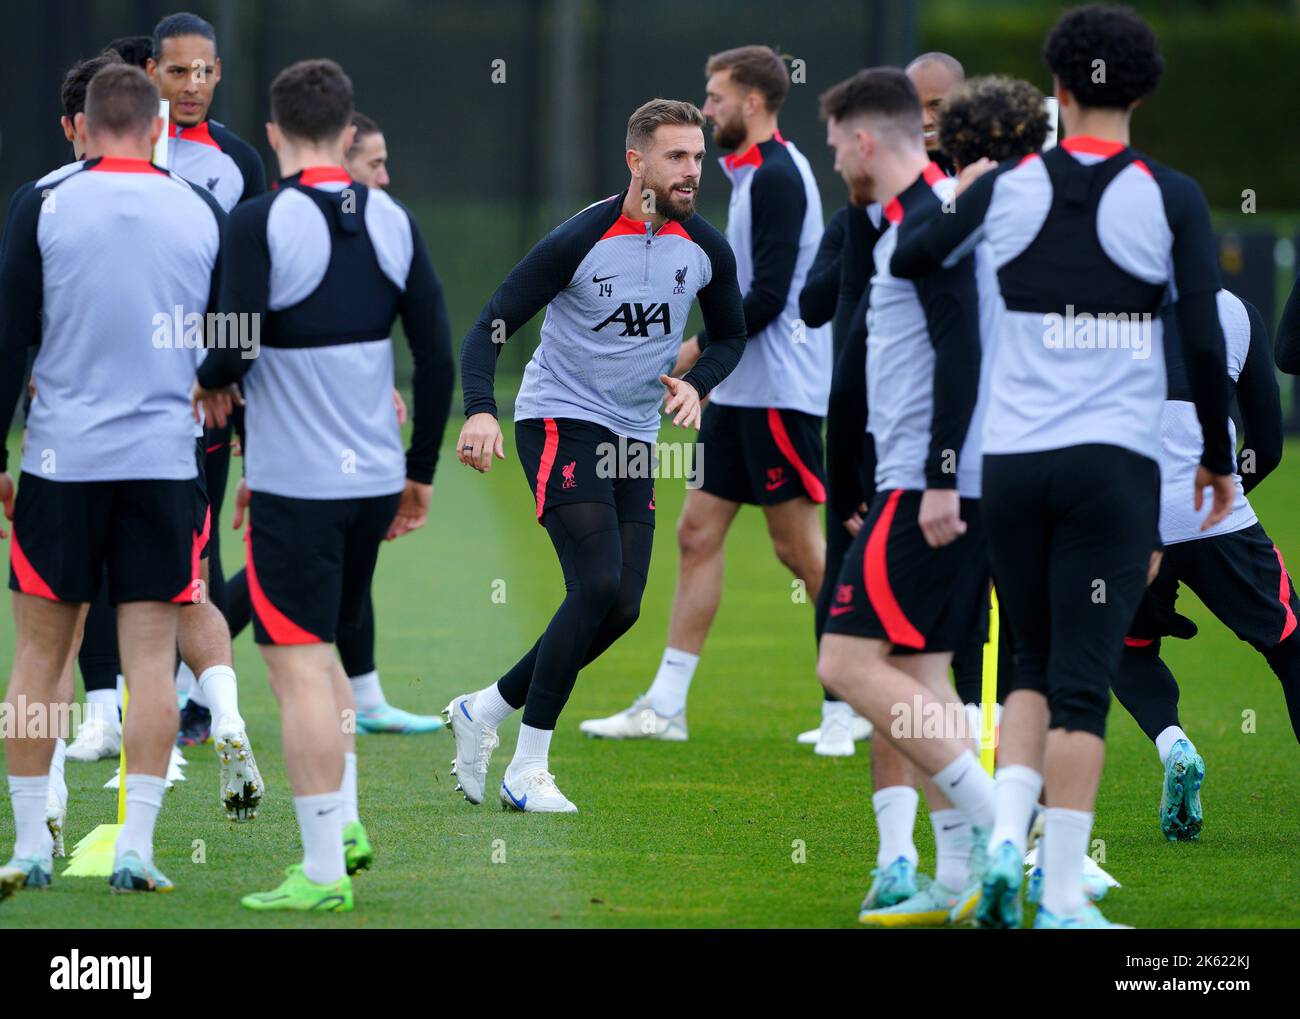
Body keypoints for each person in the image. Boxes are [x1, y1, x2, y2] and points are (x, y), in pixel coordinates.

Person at [889, 4, 1235, 928]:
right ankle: (1063, 890)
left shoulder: (1004, 188)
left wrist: (976, 202)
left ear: (1059, 89)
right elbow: (1202, 342)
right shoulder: (1171, 196)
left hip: (1011, 469)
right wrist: (1214, 453)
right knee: (1082, 680)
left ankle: (1005, 840)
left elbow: (917, 250)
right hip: (1110, 473)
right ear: (1143, 89)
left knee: (1027, 664)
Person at [194, 59, 454, 911]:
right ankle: (343, 824)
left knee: (295, 666)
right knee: (325, 653)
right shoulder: (393, 218)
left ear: (272, 133)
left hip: (297, 485)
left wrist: (209, 378)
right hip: (374, 478)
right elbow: (439, 355)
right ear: (349, 134)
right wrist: (419, 476)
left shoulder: (259, 220)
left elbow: (230, 348)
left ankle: (320, 871)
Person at [446, 98, 746, 812]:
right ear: (635, 160)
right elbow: (490, 324)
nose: (691, 171)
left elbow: (732, 334)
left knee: (622, 607)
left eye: (698, 157)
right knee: (596, 583)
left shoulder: (705, 247)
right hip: (560, 421)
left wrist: (697, 385)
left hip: (636, 433)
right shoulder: (580, 238)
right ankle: (528, 766)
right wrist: (483, 409)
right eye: (676, 156)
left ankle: (483, 708)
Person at [0, 64, 225, 896]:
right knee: (149, 661)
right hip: (163, 465)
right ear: (160, 128)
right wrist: (209, 374)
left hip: (62, 461)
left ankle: (29, 848)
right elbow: (234, 337)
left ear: (85, 126)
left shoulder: (44, 202)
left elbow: (7, 336)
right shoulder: (197, 208)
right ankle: (135, 848)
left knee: (36, 655)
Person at [580, 46, 832, 745]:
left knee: (799, 551)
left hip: (779, 390)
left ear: (753, 102)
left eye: (717, 97)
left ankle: (850, 702)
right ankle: (665, 707)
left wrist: (690, 356)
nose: (709, 107)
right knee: (695, 535)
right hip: (739, 390)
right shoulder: (747, 173)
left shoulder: (780, 175)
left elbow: (772, 298)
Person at [813, 66, 1001, 927]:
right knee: (923, 676)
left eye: (833, 145)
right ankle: (959, 874)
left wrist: (939, 473)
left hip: (927, 489)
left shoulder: (932, 223)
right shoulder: (903, 223)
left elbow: (962, 348)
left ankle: (1006, 836)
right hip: (916, 483)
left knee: (846, 664)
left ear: (862, 139)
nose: (834, 163)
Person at [222, 110, 444, 735]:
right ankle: (189, 685)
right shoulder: (285, 224)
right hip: (323, 472)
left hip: (322, 471)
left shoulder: (361, 229)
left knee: (318, 623)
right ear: (341, 155)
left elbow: (243, 344)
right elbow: (243, 346)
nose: (385, 176)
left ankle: (359, 710)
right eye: (374, 164)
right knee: (304, 635)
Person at [1112, 290, 1296, 842]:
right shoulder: (1238, 310)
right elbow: (1268, 443)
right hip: (1218, 513)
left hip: (1126, 517)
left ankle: (1174, 743)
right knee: (1291, 646)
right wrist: (1227, 497)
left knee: (1127, 650)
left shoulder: (1090, 298)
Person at [147, 10, 268, 748]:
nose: (192, 85)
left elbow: (248, 276)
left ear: (219, 73)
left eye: (204, 70)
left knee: (200, 544)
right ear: (150, 73)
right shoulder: (124, 151)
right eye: (177, 70)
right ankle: (121, 695)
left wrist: (232, 367)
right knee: (129, 544)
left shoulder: (238, 160)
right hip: (129, 380)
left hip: (208, 384)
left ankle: (193, 701)